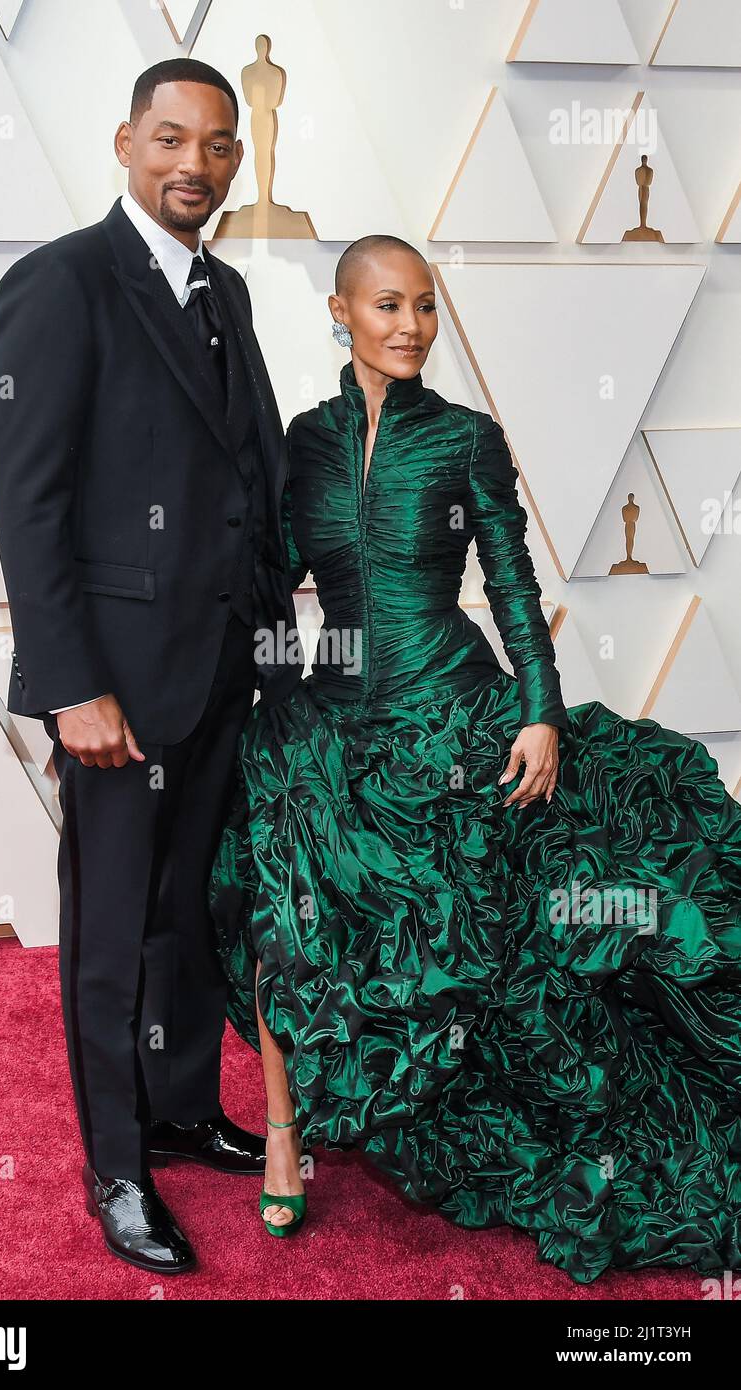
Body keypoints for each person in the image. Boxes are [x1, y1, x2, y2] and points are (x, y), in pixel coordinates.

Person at [210, 235, 741, 1282]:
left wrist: (538, 711)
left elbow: (509, 582)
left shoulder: (463, 438)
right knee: (281, 910)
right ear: (339, 310)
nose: (408, 326)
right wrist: (246, 692)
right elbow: (266, 580)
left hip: (453, 711)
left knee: (529, 936)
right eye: (386, 306)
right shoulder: (302, 442)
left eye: (423, 307)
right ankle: (281, 1130)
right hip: (325, 715)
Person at [0, 59, 302, 1275]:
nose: (195, 165)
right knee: (113, 928)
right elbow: (29, 500)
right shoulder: (61, 283)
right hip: (112, 684)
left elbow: (249, 472)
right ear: (125, 143)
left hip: (219, 668)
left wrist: (274, 635)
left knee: (188, 914)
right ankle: (115, 1167)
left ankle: (174, 1110)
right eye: (170, 139)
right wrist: (70, 684)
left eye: (217, 146)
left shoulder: (223, 289)